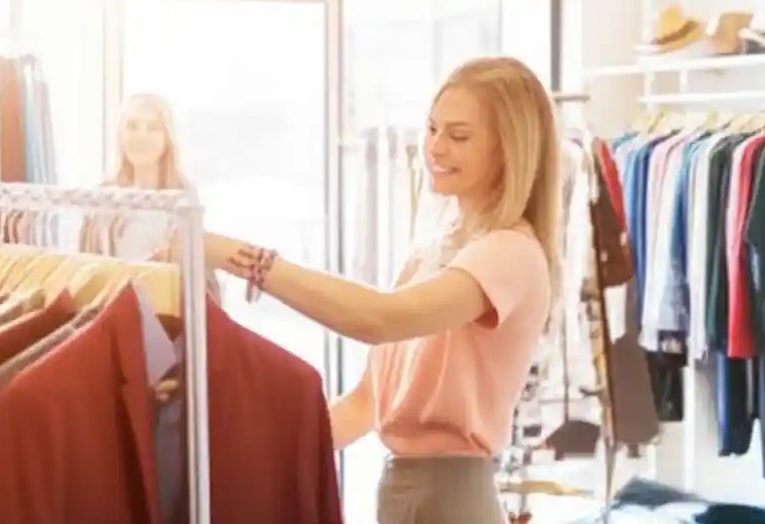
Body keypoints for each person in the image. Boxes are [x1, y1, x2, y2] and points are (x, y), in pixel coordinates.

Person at [205, 56, 561, 523]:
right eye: (432, 129)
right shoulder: (433, 252)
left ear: (509, 149)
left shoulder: (510, 253)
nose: (435, 147)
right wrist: (258, 461)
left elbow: (377, 319)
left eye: (458, 136)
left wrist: (244, 259)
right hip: (399, 490)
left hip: (452, 499)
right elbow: (365, 403)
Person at [81, 92, 190, 261]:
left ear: (167, 139)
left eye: (153, 128)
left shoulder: (184, 196)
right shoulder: (100, 197)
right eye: (132, 126)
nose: (141, 136)